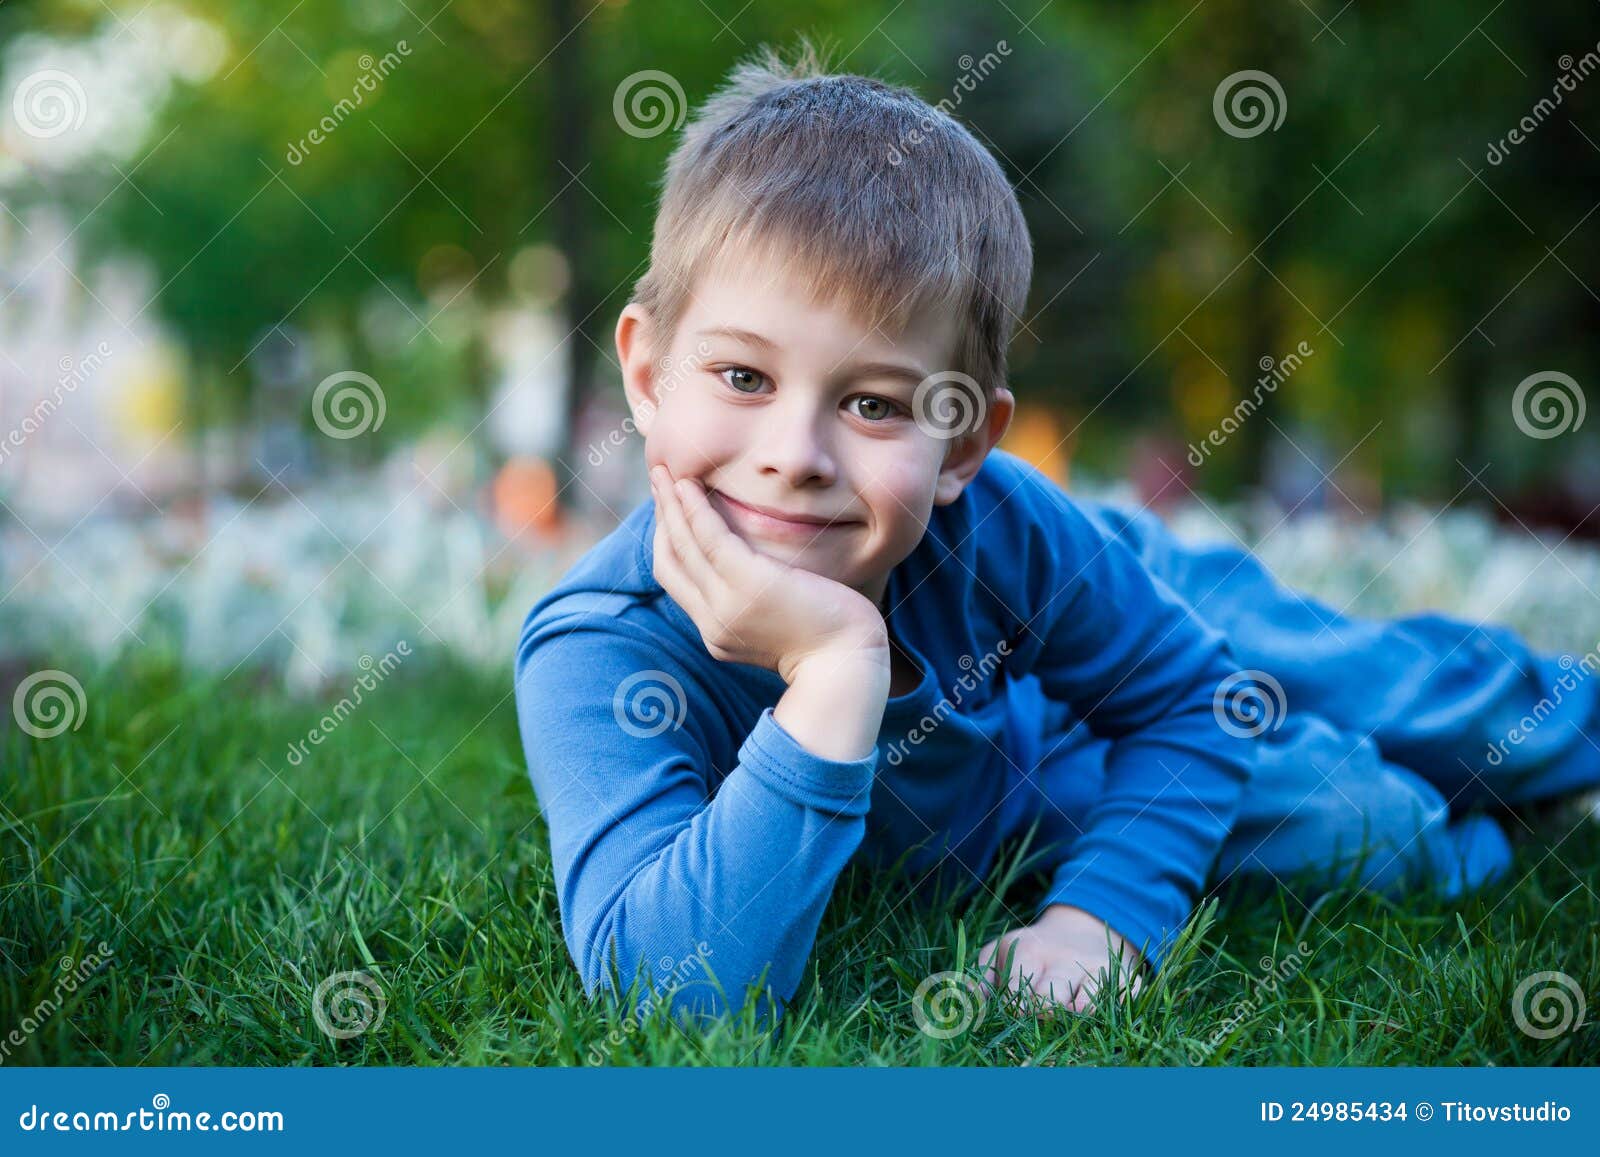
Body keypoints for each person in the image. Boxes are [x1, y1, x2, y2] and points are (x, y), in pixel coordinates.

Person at [512, 44, 1599, 1028]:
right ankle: (1495, 827)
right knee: (1368, 828)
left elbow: (1189, 697)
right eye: (743, 376)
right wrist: (835, 671)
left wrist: (1097, 926)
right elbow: (668, 988)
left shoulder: (1005, 526)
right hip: (1052, 772)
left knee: (1395, 694)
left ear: (961, 445)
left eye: (875, 404)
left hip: (1126, 589)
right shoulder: (601, 645)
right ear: (647, 373)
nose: (794, 452)